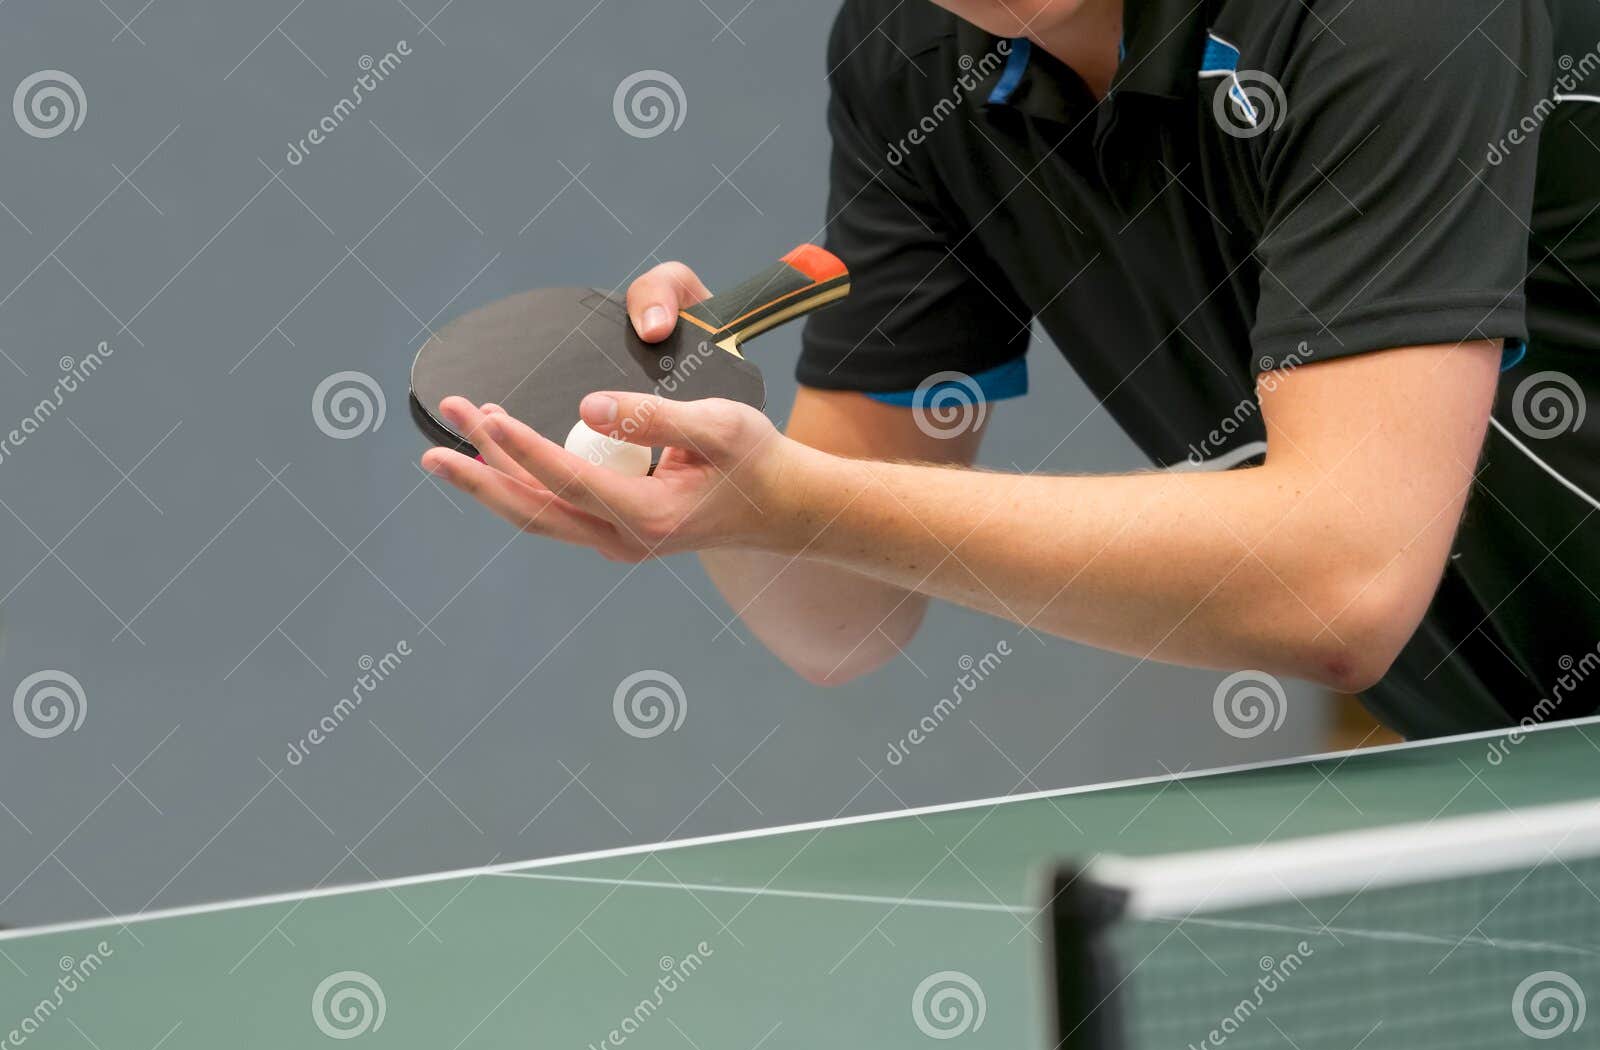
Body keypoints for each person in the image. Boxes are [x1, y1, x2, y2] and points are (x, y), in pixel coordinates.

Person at [421, 0, 1600, 740]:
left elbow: (1342, 583)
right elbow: (842, 618)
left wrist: (797, 497)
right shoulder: (913, 64)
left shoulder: (1385, 18)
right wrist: (705, 470)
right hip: (1515, 770)